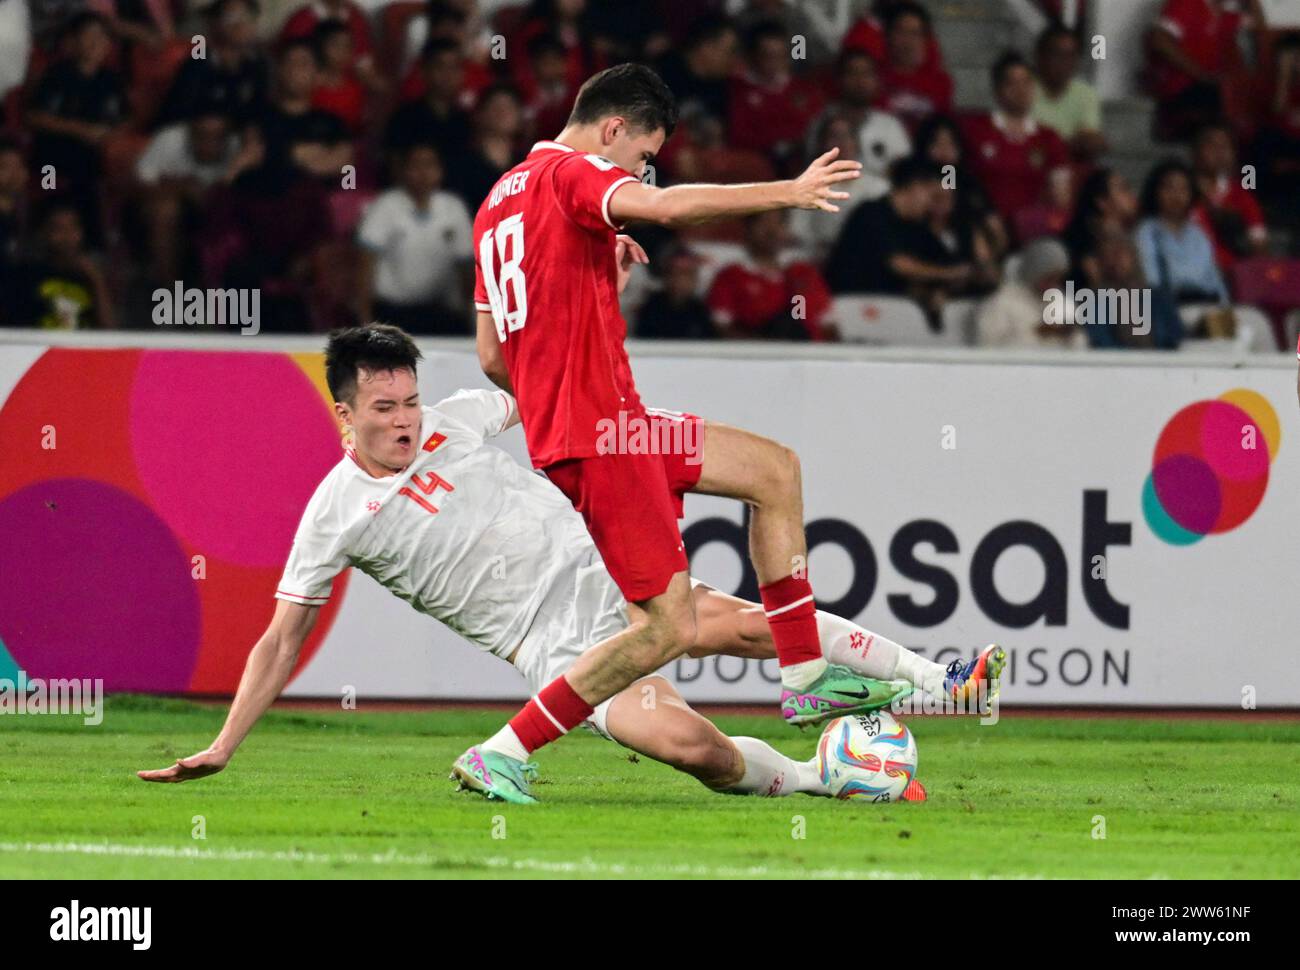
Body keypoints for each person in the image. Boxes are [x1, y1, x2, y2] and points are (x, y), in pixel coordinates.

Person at [135, 324, 996, 800]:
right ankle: (817, 781)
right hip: (552, 647)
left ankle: (944, 680)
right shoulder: (333, 515)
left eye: (409, 401)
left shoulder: (457, 420)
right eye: (383, 408)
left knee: (750, 627)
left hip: (609, 574)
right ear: (342, 416)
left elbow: (545, 384)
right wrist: (224, 745)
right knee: (689, 747)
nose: (404, 420)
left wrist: (592, 294)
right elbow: (283, 639)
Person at [468, 63, 1007, 802]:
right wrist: (786, 192)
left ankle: (806, 677)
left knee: (773, 470)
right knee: (664, 631)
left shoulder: (498, 202)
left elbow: (495, 355)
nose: (639, 171)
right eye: (642, 155)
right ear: (614, 128)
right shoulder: (571, 175)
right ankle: (504, 749)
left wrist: (592, 293)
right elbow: (664, 209)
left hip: (617, 427)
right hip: (602, 438)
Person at [356, 142, 474, 334]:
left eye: (429, 165)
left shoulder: (453, 208)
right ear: (403, 170)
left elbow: (466, 268)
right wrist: (365, 321)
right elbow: (365, 266)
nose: (423, 173)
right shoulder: (386, 206)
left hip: (440, 312)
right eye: (415, 165)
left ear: (441, 171)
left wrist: (472, 318)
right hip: (392, 313)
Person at [961, 51, 1071, 236]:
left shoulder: (1049, 137)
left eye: (1027, 82)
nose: (1021, 90)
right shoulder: (974, 129)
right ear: (997, 90)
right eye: (1012, 83)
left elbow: (1061, 197)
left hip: (1031, 229)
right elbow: (948, 170)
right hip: (981, 226)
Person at [1134, 159, 1229, 305]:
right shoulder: (1146, 232)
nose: (1176, 195)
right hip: (1171, 305)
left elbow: (1214, 279)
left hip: (1206, 304)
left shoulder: (1199, 234)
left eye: (1183, 189)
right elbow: (1151, 280)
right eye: (1169, 188)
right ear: (1155, 192)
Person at [1031, 22, 1105, 161]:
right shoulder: (1025, 89)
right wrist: (1070, 142)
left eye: (1071, 56)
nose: (1065, 62)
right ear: (1040, 56)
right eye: (1058, 55)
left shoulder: (1086, 94)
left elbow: (1090, 140)